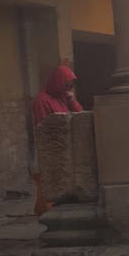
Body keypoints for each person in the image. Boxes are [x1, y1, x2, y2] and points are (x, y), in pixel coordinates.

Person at [32, 65, 83, 215]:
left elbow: (80, 115)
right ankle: (45, 213)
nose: (68, 87)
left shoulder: (64, 97)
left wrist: (72, 100)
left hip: (64, 147)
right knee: (47, 184)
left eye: (70, 85)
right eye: (65, 84)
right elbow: (43, 125)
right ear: (57, 82)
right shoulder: (41, 100)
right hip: (50, 148)